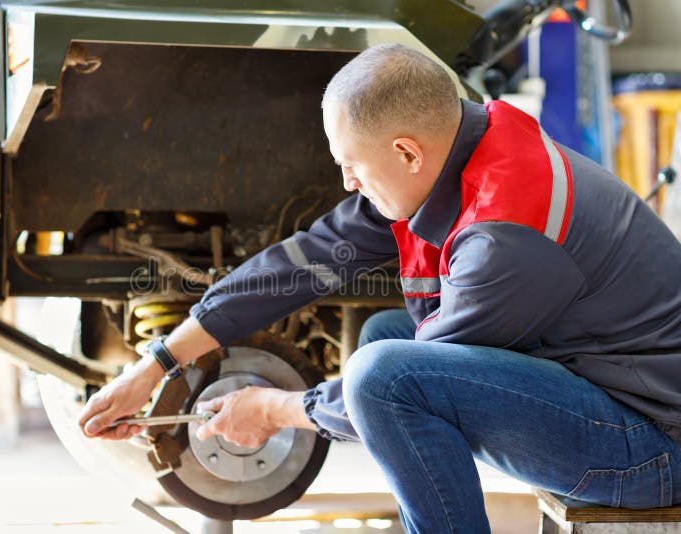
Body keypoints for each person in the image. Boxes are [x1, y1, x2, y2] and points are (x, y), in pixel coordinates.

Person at [79, 43, 681, 533]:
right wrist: (156, 364)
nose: (347, 181)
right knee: (383, 336)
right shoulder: (460, 153)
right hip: (600, 383)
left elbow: (400, 382)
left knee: (383, 375)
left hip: (654, 445)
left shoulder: (507, 233)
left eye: (352, 167)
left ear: (405, 151)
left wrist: (275, 411)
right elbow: (306, 261)